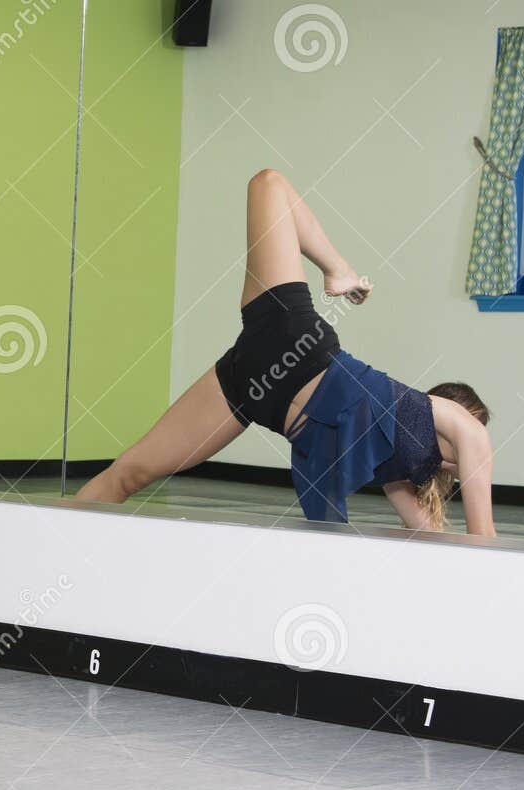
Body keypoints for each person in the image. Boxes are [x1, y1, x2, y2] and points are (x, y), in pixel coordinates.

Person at [76, 168, 495, 536]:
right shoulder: (466, 432)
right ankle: (339, 270)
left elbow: (430, 537)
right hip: (297, 345)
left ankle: (50, 548)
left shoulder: (400, 470)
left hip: (250, 389)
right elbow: (484, 539)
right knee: (268, 184)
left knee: (128, 473)